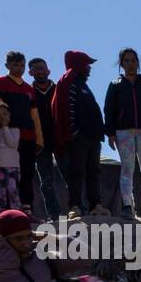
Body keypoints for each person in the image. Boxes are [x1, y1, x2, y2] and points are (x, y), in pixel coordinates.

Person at [103, 47, 141, 220]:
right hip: (124, 133)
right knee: (127, 170)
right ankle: (128, 207)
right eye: (126, 60)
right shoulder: (115, 85)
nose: (130, 64)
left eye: (133, 60)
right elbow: (109, 110)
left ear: (138, 62)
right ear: (121, 64)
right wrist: (111, 133)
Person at [51, 50, 106, 218]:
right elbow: (67, 110)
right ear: (78, 65)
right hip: (78, 138)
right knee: (77, 171)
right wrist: (74, 132)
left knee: (93, 171)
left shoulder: (83, 84)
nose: (89, 68)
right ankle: (74, 205)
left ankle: (95, 205)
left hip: (93, 138)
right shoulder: (69, 82)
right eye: (86, 64)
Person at [0, 51, 45, 215]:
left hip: (28, 137)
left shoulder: (29, 88)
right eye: (15, 64)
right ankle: (6, 209)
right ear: (7, 65)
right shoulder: (0, 82)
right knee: (7, 173)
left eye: (22, 64)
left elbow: (34, 115)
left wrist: (39, 138)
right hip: (8, 137)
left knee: (27, 173)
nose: (19, 68)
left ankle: (26, 207)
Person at [28, 57, 64, 218]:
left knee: (70, 175)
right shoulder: (28, 92)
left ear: (48, 70)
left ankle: (77, 208)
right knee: (46, 180)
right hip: (40, 142)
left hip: (60, 139)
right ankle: (54, 214)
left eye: (43, 68)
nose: (40, 71)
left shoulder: (59, 89)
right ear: (31, 72)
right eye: (36, 69)